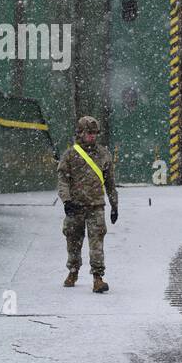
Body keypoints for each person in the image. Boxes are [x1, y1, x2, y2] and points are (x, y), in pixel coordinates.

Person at [57, 116, 119, 292]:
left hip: (96, 206)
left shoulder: (103, 154)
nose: (92, 136)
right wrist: (66, 200)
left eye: (94, 133)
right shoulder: (70, 155)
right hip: (75, 206)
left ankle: (98, 278)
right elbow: (62, 180)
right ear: (80, 133)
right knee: (73, 240)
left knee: (96, 242)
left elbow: (110, 183)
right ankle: (73, 271)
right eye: (89, 133)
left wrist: (114, 206)